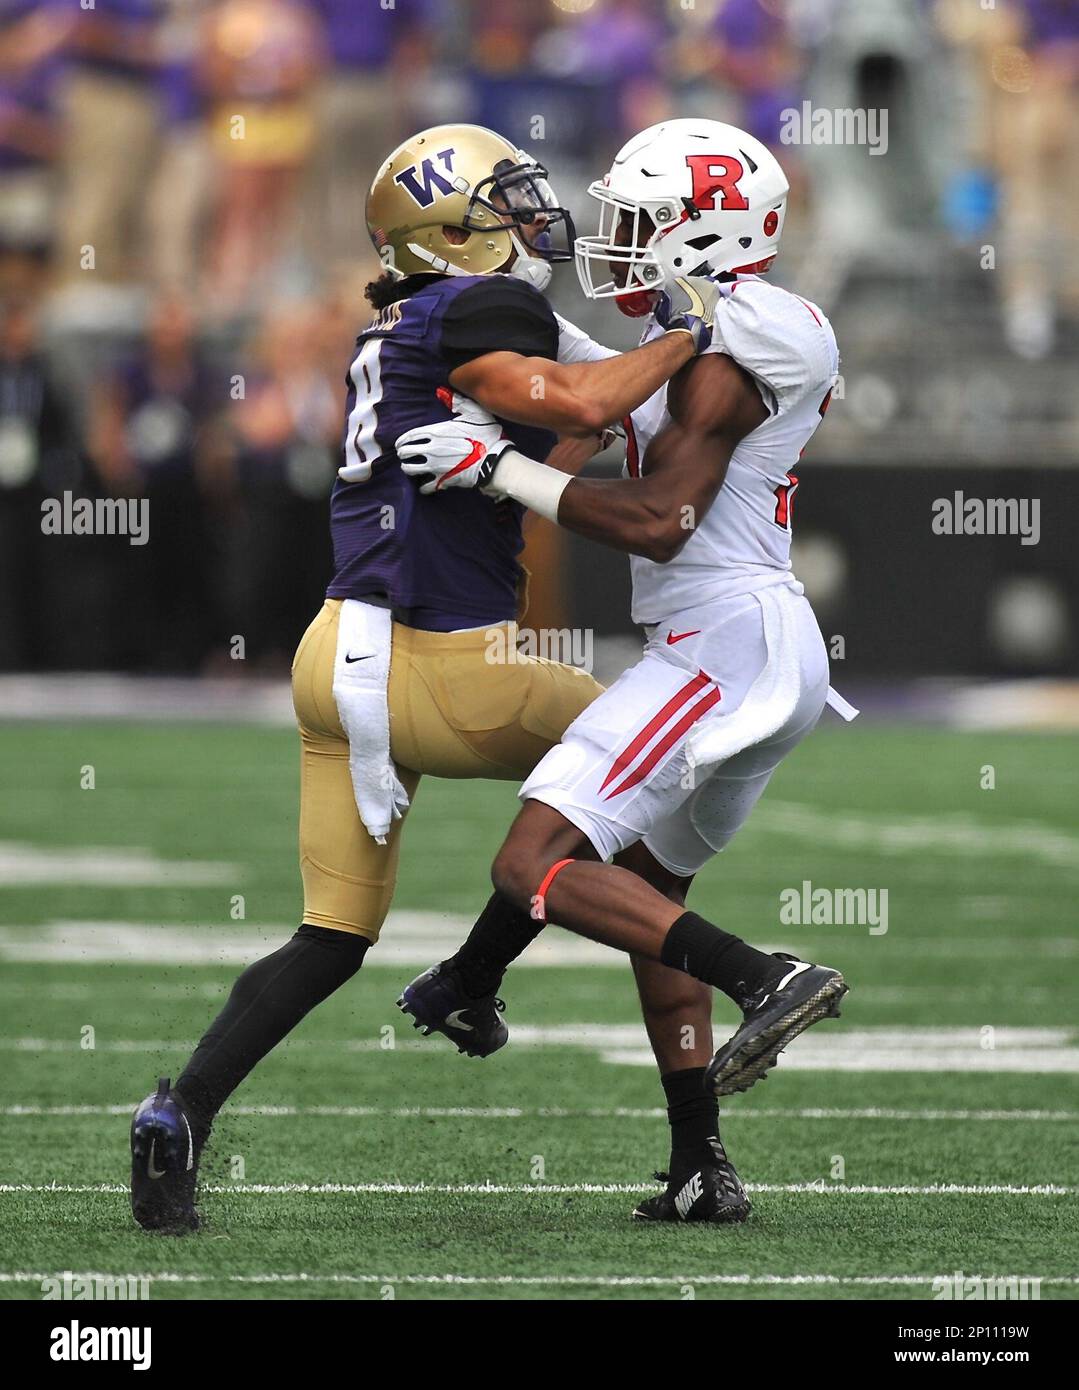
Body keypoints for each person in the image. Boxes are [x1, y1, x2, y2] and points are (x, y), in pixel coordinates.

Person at [128, 121, 712, 1234]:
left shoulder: (397, 324)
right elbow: (584, 403)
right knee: (644, 802)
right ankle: (629, 1037)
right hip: (452, 667)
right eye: (504, 201)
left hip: (332, 654)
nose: (531, 215)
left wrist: (575, 431)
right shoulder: (475, 308)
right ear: (451, 232)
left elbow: (534, 457)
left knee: (330, 936)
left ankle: (180, 1110)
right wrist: (686, 328)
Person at [396, 118, 852, 1224]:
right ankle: (698, 1161)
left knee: (531, 860)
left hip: (719, 648)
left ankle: (764, 977)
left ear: (712, 234)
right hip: (744, 649)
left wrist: (499, 469)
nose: (617, 239)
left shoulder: (744, 342)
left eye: (640, 221)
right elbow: (600, 387)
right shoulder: (700, 334)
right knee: (640, 894)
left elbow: (655, 520)